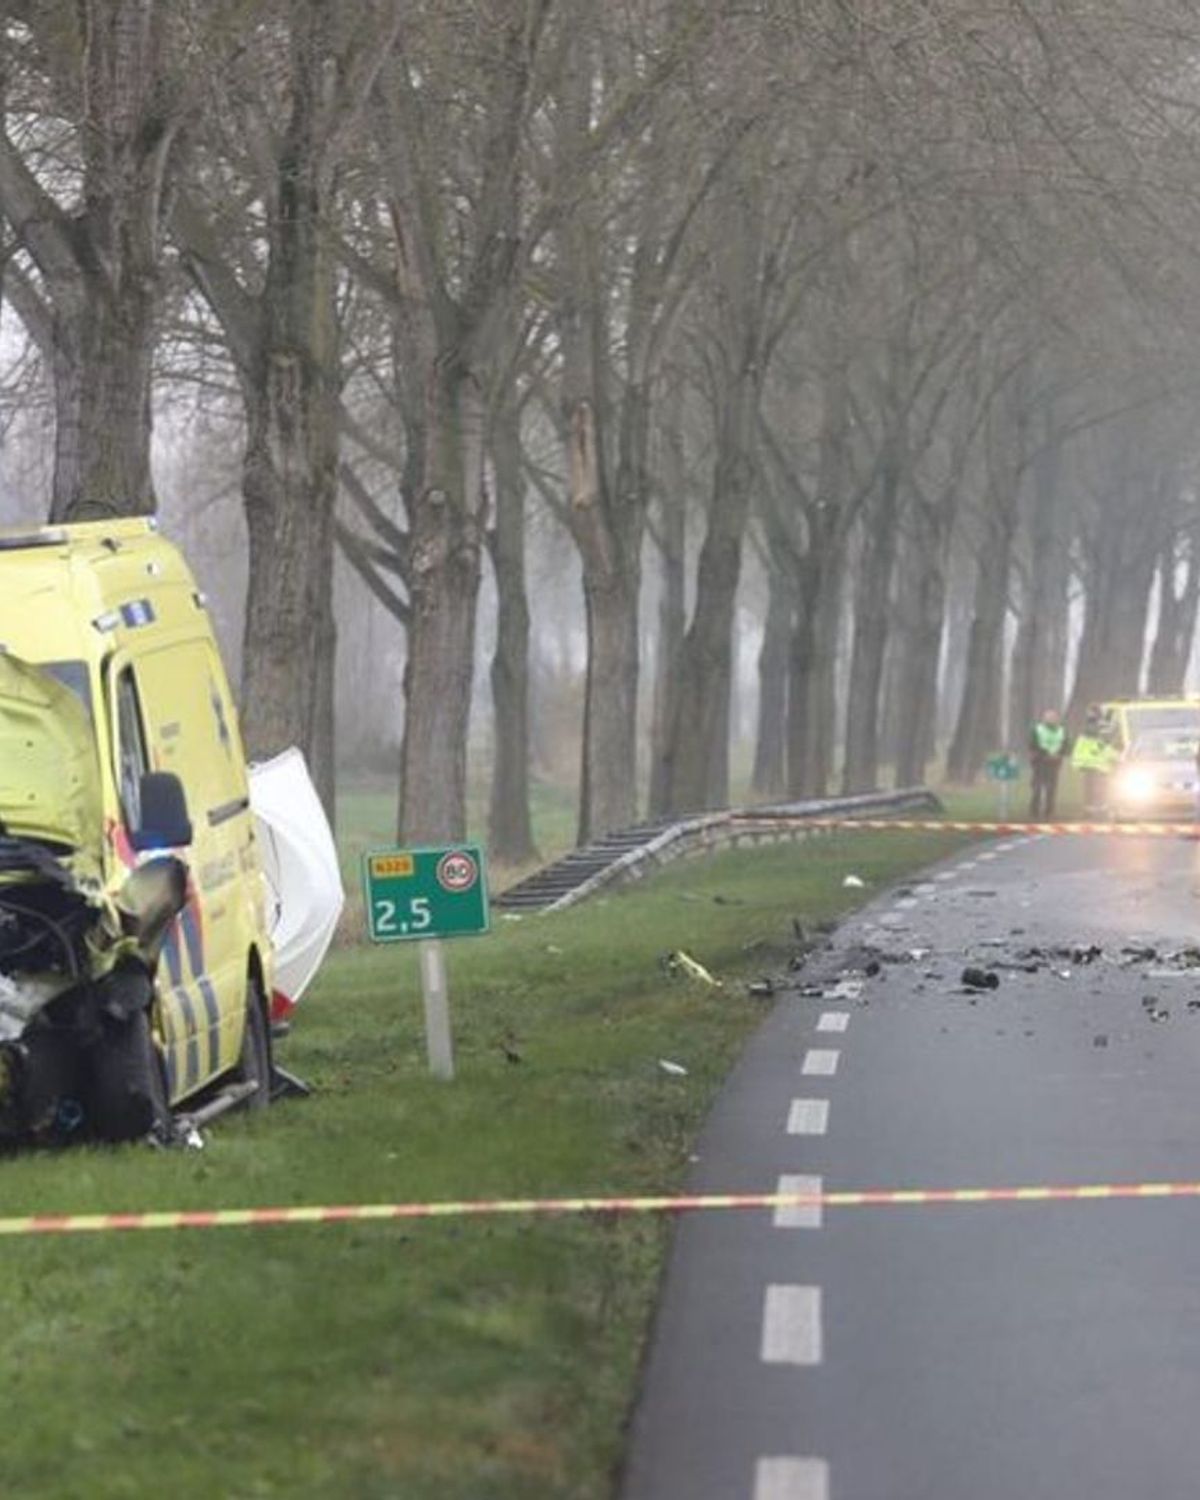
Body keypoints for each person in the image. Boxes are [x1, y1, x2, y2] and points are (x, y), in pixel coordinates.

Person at [1071, 704, 1118, 818]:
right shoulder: (1092, 726)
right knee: (1094, 788)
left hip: (1095, 762)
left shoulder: (1096, 725)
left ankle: (1096, 809)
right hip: (1094, 762)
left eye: (1092, 712)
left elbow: (1105, 738)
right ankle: (1094, 810)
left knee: (1097, 788)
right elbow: (1101, 739)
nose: (1090, 714)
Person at [1029, 708, 1069, 819]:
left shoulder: (1062, 730)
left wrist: (1060, 754)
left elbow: (1065, 745)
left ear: (1057, 718)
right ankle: (1034, 812)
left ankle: (1049, 812)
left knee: (1051, 788)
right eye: (1048, 716)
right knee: (1037, 787)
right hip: (1040, 762)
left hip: (1054, 763)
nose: (1051, 719)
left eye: (1053, 717)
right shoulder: (1038, 729)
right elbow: (1033, 744)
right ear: (1043, 718)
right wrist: (1045, 754)